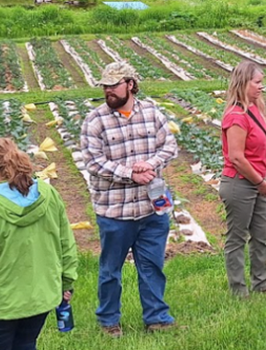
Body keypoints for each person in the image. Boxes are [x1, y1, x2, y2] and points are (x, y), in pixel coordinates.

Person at [80, 61, 178, 337]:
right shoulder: (95, 120)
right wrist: (129, 174)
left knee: (152, 266)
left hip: (152, 208)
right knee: (111, 270)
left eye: (114, 85)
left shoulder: (151, 112)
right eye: (105, 86)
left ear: (131, 85)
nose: (108, 91)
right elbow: (94, 162)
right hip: (114, 212)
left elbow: (169, 146)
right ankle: (109, 320)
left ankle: (157, 317)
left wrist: (150, 164)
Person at [0, 137, 78, 350]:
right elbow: (66, 245)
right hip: (40, 301)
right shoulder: (48, 195)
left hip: (0, 308)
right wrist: (66, 283)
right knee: (26, 344)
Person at [219, 60, 266, 297]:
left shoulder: (254, 110)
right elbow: (237, 157)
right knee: (237, 238)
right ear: (243, 83)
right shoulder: (236, 116)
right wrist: (260, 183)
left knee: (261, 236)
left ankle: (261, 284)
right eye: (257, 82)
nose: (262, 87)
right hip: (240, 183)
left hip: (256, 182)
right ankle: (238, 290)